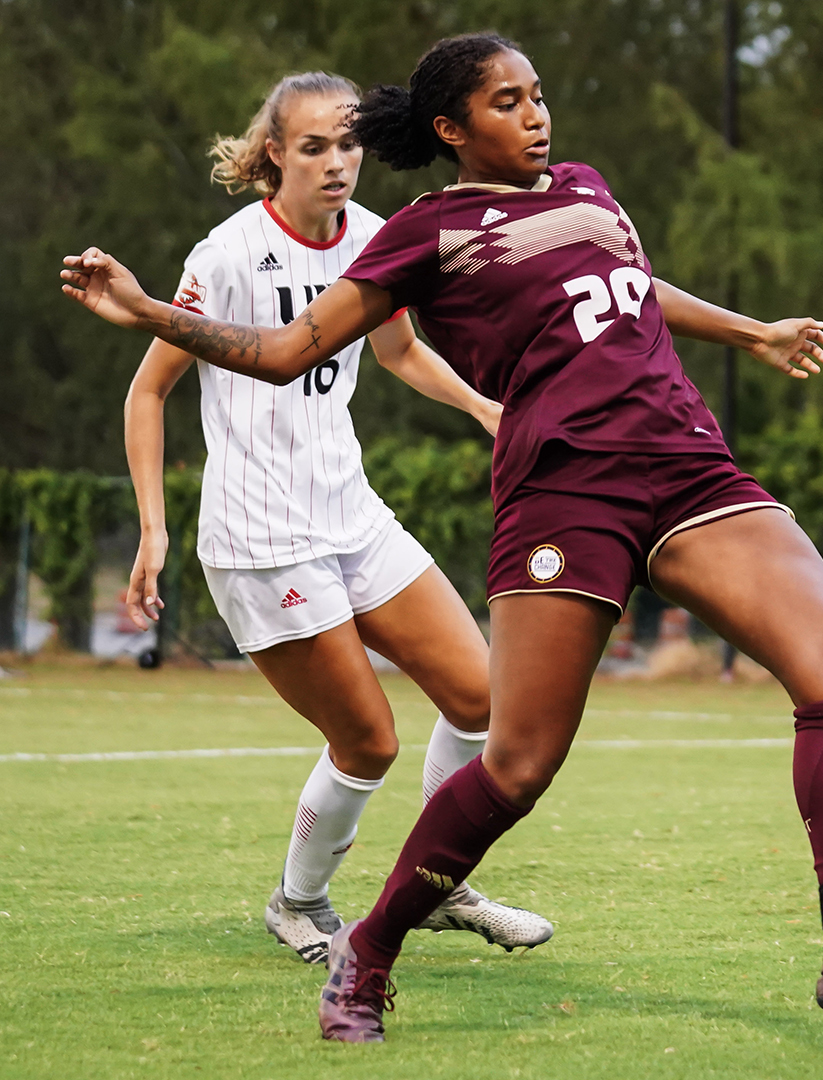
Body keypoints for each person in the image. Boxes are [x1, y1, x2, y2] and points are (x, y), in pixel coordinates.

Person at [65, 35, 823, 1044]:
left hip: (688, 466)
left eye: (539, 96)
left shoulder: (589, 189)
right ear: (451, 128)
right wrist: (149, 312)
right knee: (515, 765)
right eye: (507, 102)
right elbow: (290, 348)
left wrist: (753, 332)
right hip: (565, 492)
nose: (536, 115)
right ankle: (368, 951)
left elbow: (634, 287)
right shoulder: (425, 233)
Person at [119, 69, 551, 967]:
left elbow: (399, 350)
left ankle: (439, 884)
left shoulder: (372, 238)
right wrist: (153, 528)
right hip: (261, 540)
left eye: (348, 145)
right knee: (367, 741)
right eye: (314, 146)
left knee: (482, 699)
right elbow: (147, 391)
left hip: (351, 516)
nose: (336, 163)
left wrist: (482, 407)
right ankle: (298, 902)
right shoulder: (227, 255)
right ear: (275, 153)